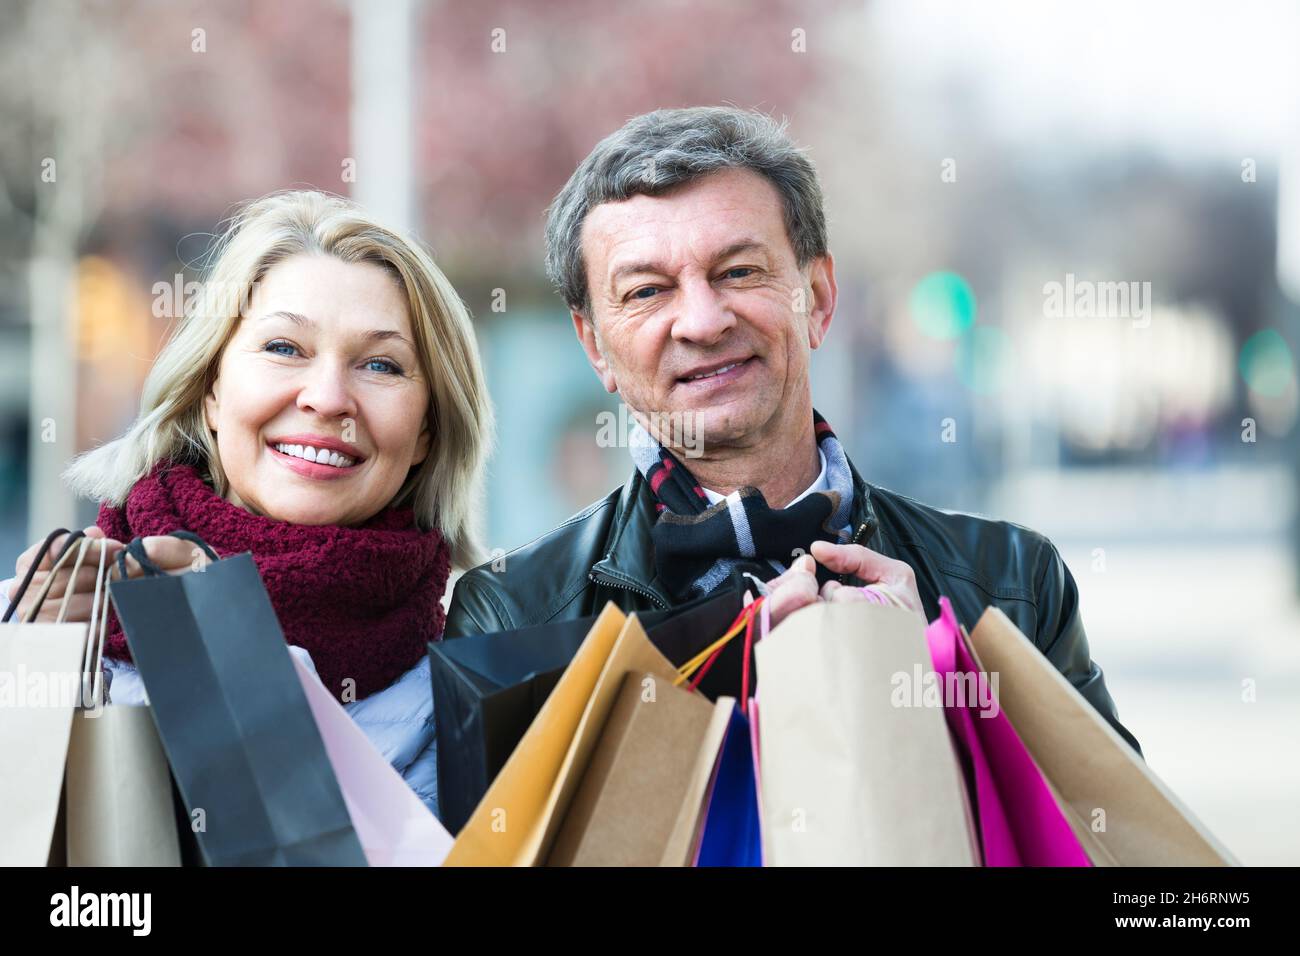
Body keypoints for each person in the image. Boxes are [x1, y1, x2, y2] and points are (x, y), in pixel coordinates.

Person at [444, 105, 1141, 755]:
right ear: (596, 346)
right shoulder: (511, 616)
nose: (703, 320)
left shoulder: (1013, 587)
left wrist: (934, 696)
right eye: (647, 291)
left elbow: (1120, 853)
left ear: (818, 298)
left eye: (739, 271)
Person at [2, 190, 495, 813]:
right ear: (212, 390)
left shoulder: (472, 704)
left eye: (380, 365)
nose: (327, 398)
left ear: (427, 429)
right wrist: (28, 676)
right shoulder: (36, 619)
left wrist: (239, 658)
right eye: (284, 348)